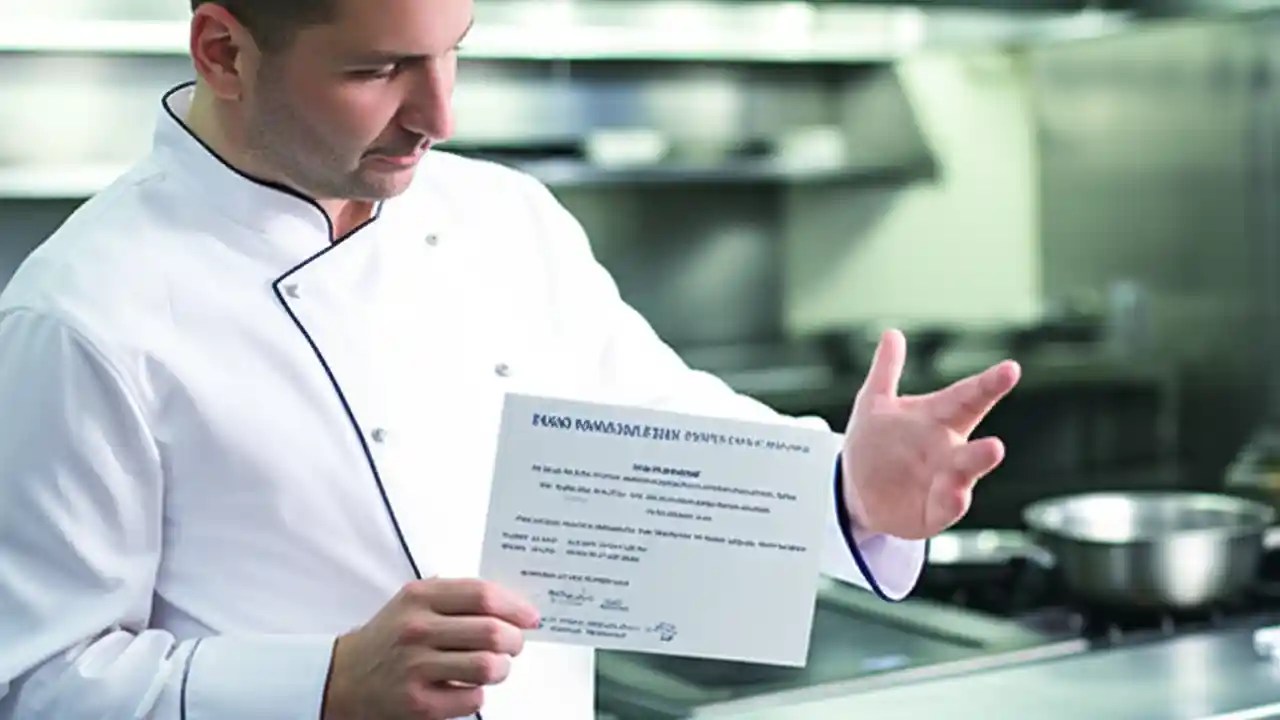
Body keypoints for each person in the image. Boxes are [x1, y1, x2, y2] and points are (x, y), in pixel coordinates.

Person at [0, 0, 1021, 718]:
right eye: (376, 70)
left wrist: (846, 491)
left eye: (454, 52)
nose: (439, 118)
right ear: (224, 51)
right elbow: (37, 683)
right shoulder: (83, 315)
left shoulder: (502, 217)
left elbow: (661, 430)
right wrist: (323, 684)